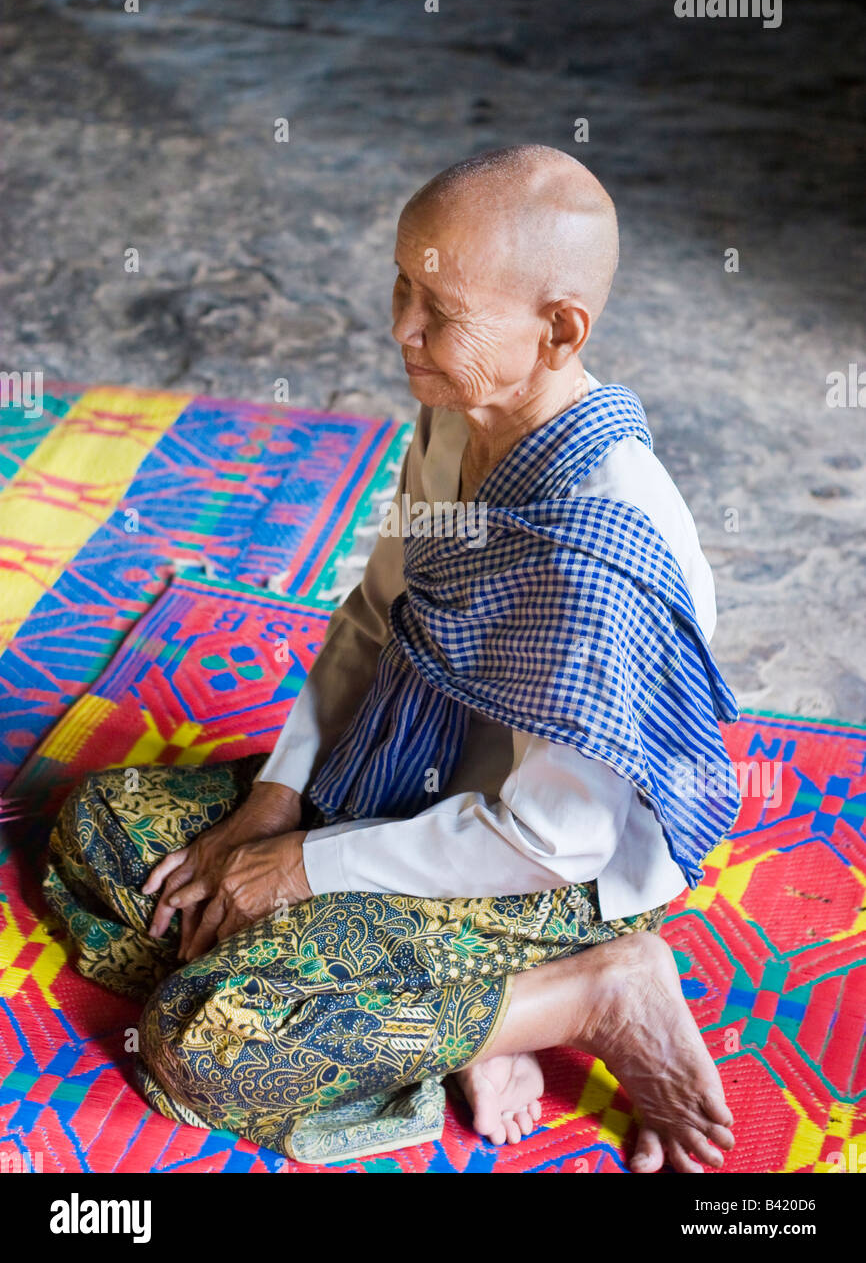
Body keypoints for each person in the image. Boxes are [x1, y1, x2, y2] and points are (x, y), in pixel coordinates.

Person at [44, 145, 738, 1172]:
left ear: (559, 331)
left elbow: (547, 840)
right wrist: (273, 802)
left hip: (539, 872)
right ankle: (465, 1024)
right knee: (97, 830)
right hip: (398, 781)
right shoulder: (461, 410)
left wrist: (301, 871)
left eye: (439, 310)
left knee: (212, 1043)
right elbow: (376, 617)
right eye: (401, 286)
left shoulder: (601, 545)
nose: (401, 329)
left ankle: (591, 990)